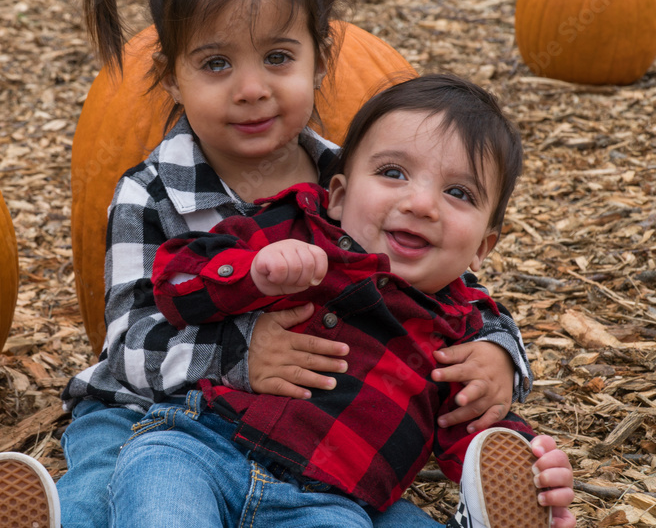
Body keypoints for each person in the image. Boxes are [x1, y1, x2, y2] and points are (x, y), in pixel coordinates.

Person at [0, 0, 535, 528]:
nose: (252, 88)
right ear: (170, 76)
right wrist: (241, 354)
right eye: (216, 64)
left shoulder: (351, 189)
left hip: (305, 438)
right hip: (142, 407)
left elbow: (447, 290)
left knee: (371, 510)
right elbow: (130, 347)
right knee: (107, 486)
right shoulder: (148, 194)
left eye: (278, 56)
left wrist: (499, 355)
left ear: (320, 62)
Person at [108, 74, 574, 527]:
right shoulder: (295, 231)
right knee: (160, 509)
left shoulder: (459, 334)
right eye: (393, 173)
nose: (421, 203)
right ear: (338, 196)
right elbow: (176, 281)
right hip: (198, 446)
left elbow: (472, 427)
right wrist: (251, 274)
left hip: (326, 502)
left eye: (458, 193)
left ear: (482, 247)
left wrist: (527, 465)